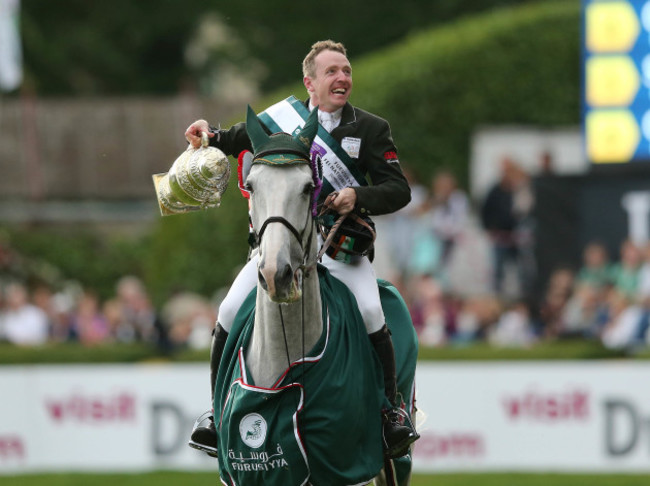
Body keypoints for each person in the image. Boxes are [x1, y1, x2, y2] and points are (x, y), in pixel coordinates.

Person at [184, 40, 418, 458]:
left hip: (339, 248)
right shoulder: (280, 121)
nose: (342, 78)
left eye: (346, 70)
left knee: (370, 311)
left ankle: (391, 414)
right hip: (283, 244)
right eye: (332, 71)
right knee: (225, 312)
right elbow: (234, 138)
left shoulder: (370, 128)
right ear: (309, 82)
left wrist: (357, 195)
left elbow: (398, 190)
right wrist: (207, 134)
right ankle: (217, 415)